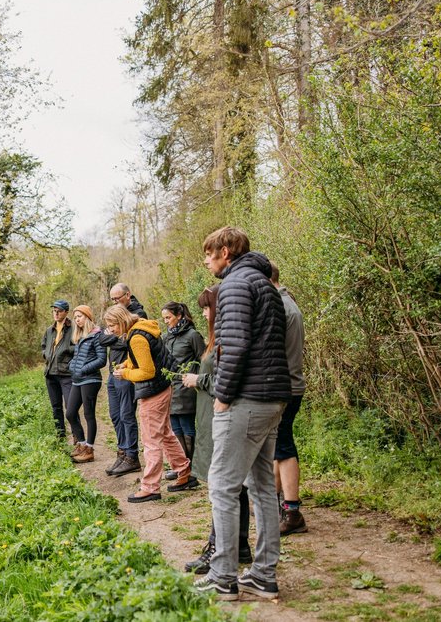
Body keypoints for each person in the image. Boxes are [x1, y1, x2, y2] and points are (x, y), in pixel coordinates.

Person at [193, 226, 291, 602]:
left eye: (209, 252)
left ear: (226, 251)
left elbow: (234, 346)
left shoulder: (234, 285)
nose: (206, 259)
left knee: (222, 486)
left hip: (246, 400)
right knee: (262, 487)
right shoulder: (264, 283)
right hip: (271, 399)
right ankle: (263, 574)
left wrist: (222, 395)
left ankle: (223, 577)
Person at [181, 286, 252, 575]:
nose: (203, 313)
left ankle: (219, 547)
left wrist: (199, 380)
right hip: (211, 415)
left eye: (207, 308)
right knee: (232, 485)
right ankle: (239, 544)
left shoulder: (226, 338)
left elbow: (229, 380)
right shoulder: (215, 337)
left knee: (223, 486)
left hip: (221, 417)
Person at [107, 304, 197, 503]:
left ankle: (150, 487)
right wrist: (127, 364)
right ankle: (184, 472)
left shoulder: (136, 338)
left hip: (153, 391)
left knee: (151, 439)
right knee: (165, 434)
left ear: (121, 320)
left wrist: (125, 374)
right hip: (162, 387)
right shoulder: (140, 327)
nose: (111, 330)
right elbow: (142, 359)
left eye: (112, 325)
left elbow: (147, 371)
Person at [270, 262, 308, 536]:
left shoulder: (281, 308)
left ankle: (292, 510)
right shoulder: (286, 302)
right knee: (277, 446)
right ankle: (276, 504)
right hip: (288, 384)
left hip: (285, 387)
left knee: (283, 447)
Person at [99, 282, 147, 476]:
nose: (115, 302)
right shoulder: (114, 314)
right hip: (113, 371)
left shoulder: (138, 314)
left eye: (117, 298)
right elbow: (102, 340)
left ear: (128, 295)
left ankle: (132, 456)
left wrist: (115, 338)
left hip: (127, 371)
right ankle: (122, 451)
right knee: (115, 414)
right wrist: (114, 337)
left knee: (127, 414)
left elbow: (126, 341)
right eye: (112, 299)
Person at [161, 302, 205, 480]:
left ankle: (191, 467)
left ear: (178, 316)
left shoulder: (192, 335)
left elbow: (203, 360)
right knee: (174, 428)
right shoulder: (166, 337)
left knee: (187, 426)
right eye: (164, 318)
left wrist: (198, 381)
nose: (166, 321)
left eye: (168, 317)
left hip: (187, 388)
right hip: (169, 388)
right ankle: (181, 467)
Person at [67, 305, 107, 463]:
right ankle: (82, 444)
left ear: (88, 317)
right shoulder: (80, 335)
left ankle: (89, 450)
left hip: (91, 380)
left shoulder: (97, 335)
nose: (77, 319)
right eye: (75, 317)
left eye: (80, 316)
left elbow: (102, 359)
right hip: (77, 380)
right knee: (70, 413)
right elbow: (76, 357)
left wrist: (83, 369)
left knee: (88, 414)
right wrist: (72, 366)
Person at [41, 300, 76, 441]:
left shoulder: (73, 328)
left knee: (70, 407)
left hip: (66, 374)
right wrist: (46, 354)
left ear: (66, 312)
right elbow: (43, 346)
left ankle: (76, 436)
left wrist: (67, 350)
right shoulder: (49, 330)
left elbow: (79, 346)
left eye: (59, 310)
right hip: (50, 374)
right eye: (54, 310)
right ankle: (60, 436)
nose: (56, 313)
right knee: (56, 407)